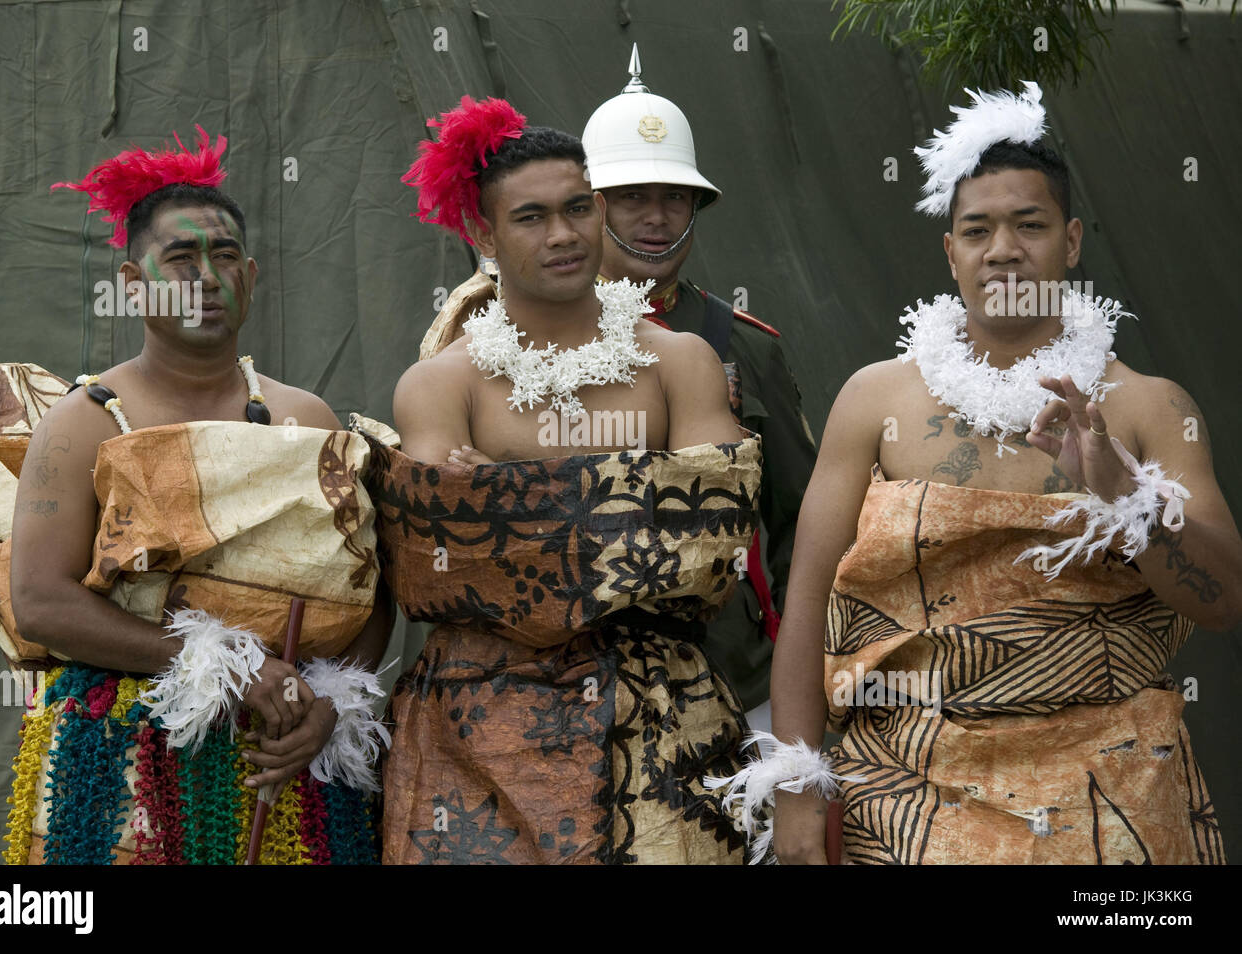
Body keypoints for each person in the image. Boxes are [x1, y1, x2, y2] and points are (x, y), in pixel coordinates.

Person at [710, 82, 1241, 864]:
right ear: (949, 250)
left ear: (1073, 239)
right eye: (977, 229)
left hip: (1112, 802)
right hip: (902, 800)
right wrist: (796, 788)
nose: (1003, 249)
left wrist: (1128, 498)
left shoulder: (1148, 408)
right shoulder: (874, 400)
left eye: (1030, 225)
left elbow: (1224, 600)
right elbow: (811, 600)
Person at [0, 129, 391, 864]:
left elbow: (368, 593)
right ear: (132, 281)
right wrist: (232, 668)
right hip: (122, 755)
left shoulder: (302, 418)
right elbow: (43, 602)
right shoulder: (85, 421)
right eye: (181, 259)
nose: (206, 277)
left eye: (223, 258)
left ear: (250, 276)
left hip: (282, 761)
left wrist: (332, 703)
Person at [368, 95, 762, 864]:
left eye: (579, 208)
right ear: (482, 232)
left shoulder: (680, 362)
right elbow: (437, 571)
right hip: (476, 725)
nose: (563, 235)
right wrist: (632, 497)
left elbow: (712, 554)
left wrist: (510, 502)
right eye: (531, 217)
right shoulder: (440, 385)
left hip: (659, 713)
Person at [581, 46, 818, 724]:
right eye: (632, 198)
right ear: (588, 207)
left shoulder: (744, 342)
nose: (655, 217)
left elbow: (798, 521)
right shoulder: (534, 336)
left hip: (733, 672)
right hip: (582, 675)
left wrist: (797, 668)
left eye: (674, 197)